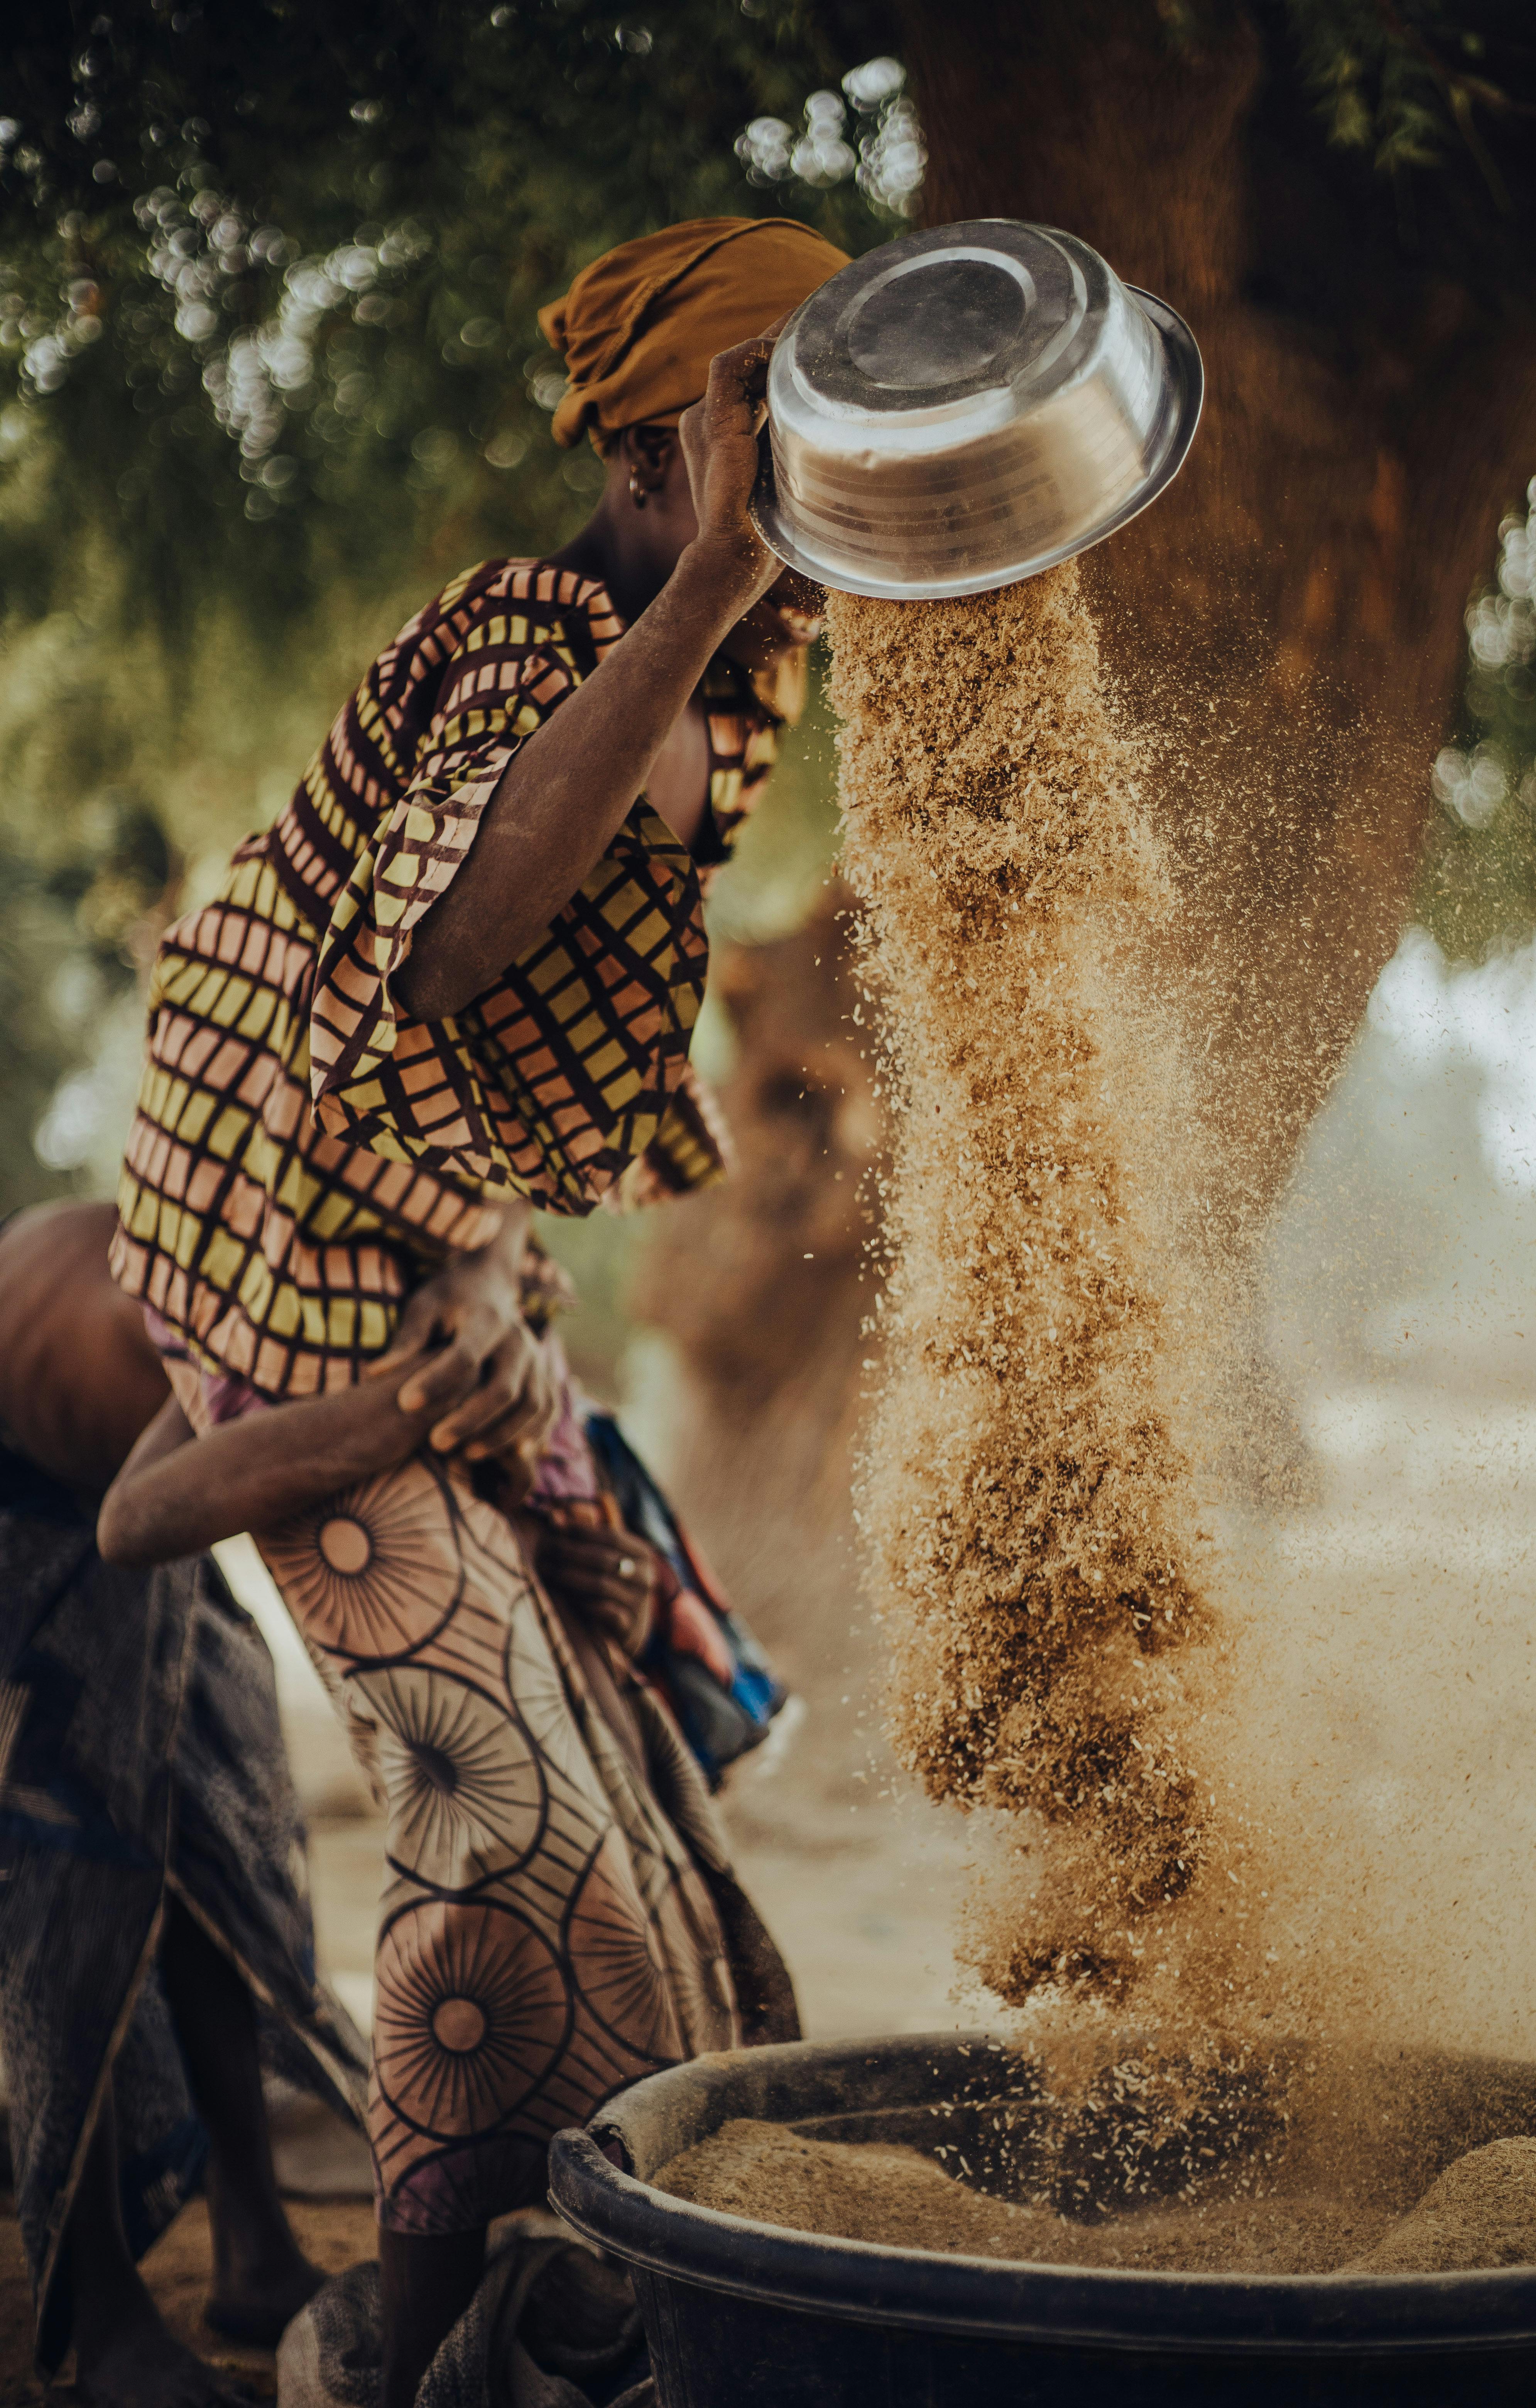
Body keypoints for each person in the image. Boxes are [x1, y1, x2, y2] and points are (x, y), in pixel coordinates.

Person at [105, 213, 845, 2406]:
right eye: (765, 460)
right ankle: (413, 2334)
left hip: (421, 1240)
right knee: (504, 1825)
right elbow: (437, 956)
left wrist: (497, 1260)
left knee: (661, 1848)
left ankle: (595, 2277)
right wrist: (711, 574)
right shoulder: (548, 630)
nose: (800, 512)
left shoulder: (730, 658)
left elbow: (510, 1046)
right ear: (655, 471)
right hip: (292, 1268)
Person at [0, 1197, 561, 2408]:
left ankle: (253, 2241)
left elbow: (503, 1226)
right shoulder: (287, 1321)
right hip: (55, 1497)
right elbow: (141, 1519)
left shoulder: (468, 1255)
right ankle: (103, 2312)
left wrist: (490, 1287)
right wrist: (402, 1402)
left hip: (161, 1474)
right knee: (73, 1872)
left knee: (223, 1817)